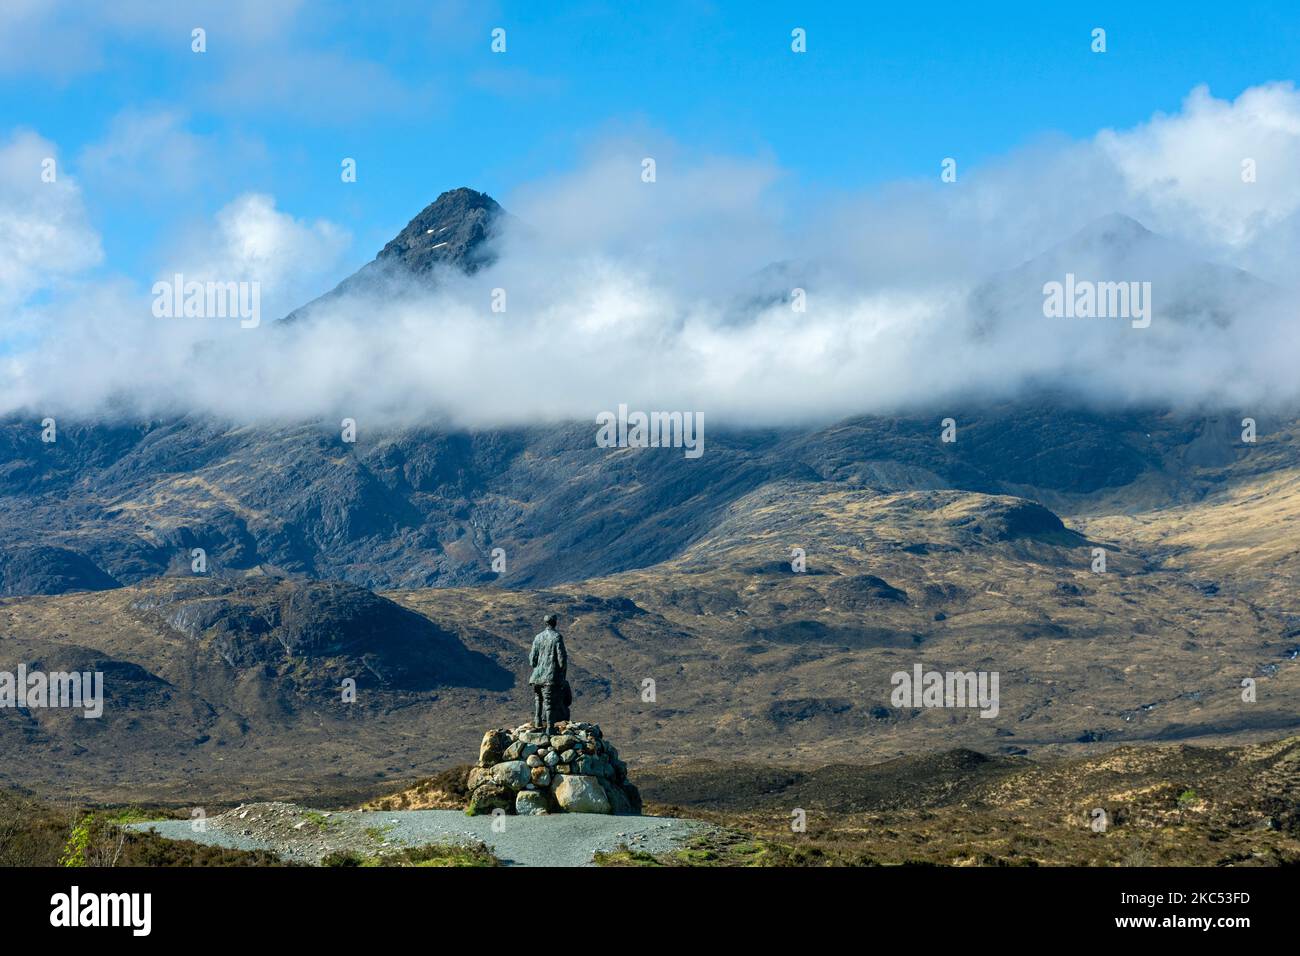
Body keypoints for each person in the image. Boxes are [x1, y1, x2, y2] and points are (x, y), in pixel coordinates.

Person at [529, 614, 568, 731]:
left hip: (536, 676)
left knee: (538, 699)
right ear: (555, 623)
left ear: (545, 623)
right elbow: (562, 660)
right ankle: (550, 729)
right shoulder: (557, 637)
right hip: (550, 676)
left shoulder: (538, 637)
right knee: (549, 703)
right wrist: (562, 673)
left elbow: (532, 660)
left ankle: (537, 722)